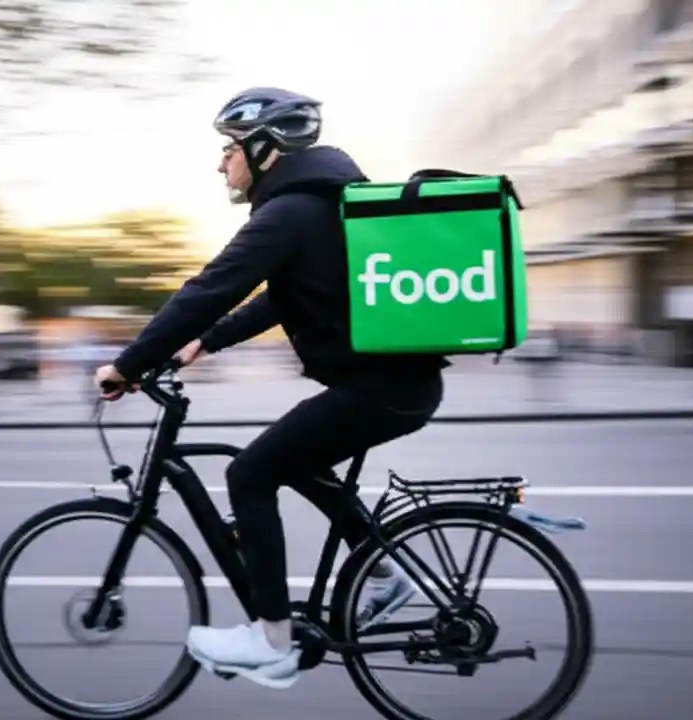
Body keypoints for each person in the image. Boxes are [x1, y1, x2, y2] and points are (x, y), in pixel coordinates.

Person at [93, 87, 448, 689]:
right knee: (298, 460)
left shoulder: (286, 214)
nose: (221, 162)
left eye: (229, 149)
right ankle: (385, 574)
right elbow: (281, 297)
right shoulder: (318, 206)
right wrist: (210, 341)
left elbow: (209, 288)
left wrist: (127, 365)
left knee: (250, 473)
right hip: (396, 384)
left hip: (380, 388)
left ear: (266, 149)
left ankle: (272, 638)